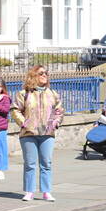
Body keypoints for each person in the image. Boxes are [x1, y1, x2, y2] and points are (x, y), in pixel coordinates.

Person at [11, 64, 64, 202]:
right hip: (29, 134)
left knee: (46, 163)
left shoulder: (52, 94)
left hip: (47, 133)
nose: (45, 75)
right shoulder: (24, 94)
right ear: (33, 75)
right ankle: (29, 191)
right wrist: (24, 123)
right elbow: (15, 110)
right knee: (30, 163)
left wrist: (55, 122)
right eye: (41, 73)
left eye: (46, 73)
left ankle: (46, 191)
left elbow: (59, 111)